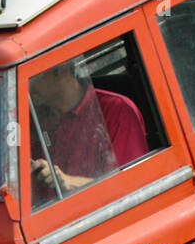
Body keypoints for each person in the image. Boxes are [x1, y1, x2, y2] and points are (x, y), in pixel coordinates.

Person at [29, 60, 149, 199]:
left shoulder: (117, 111)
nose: (27, 86)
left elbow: (132, 187)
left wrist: (67, 182)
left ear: (61, 70)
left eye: (32, 77)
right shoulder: (32, 120)